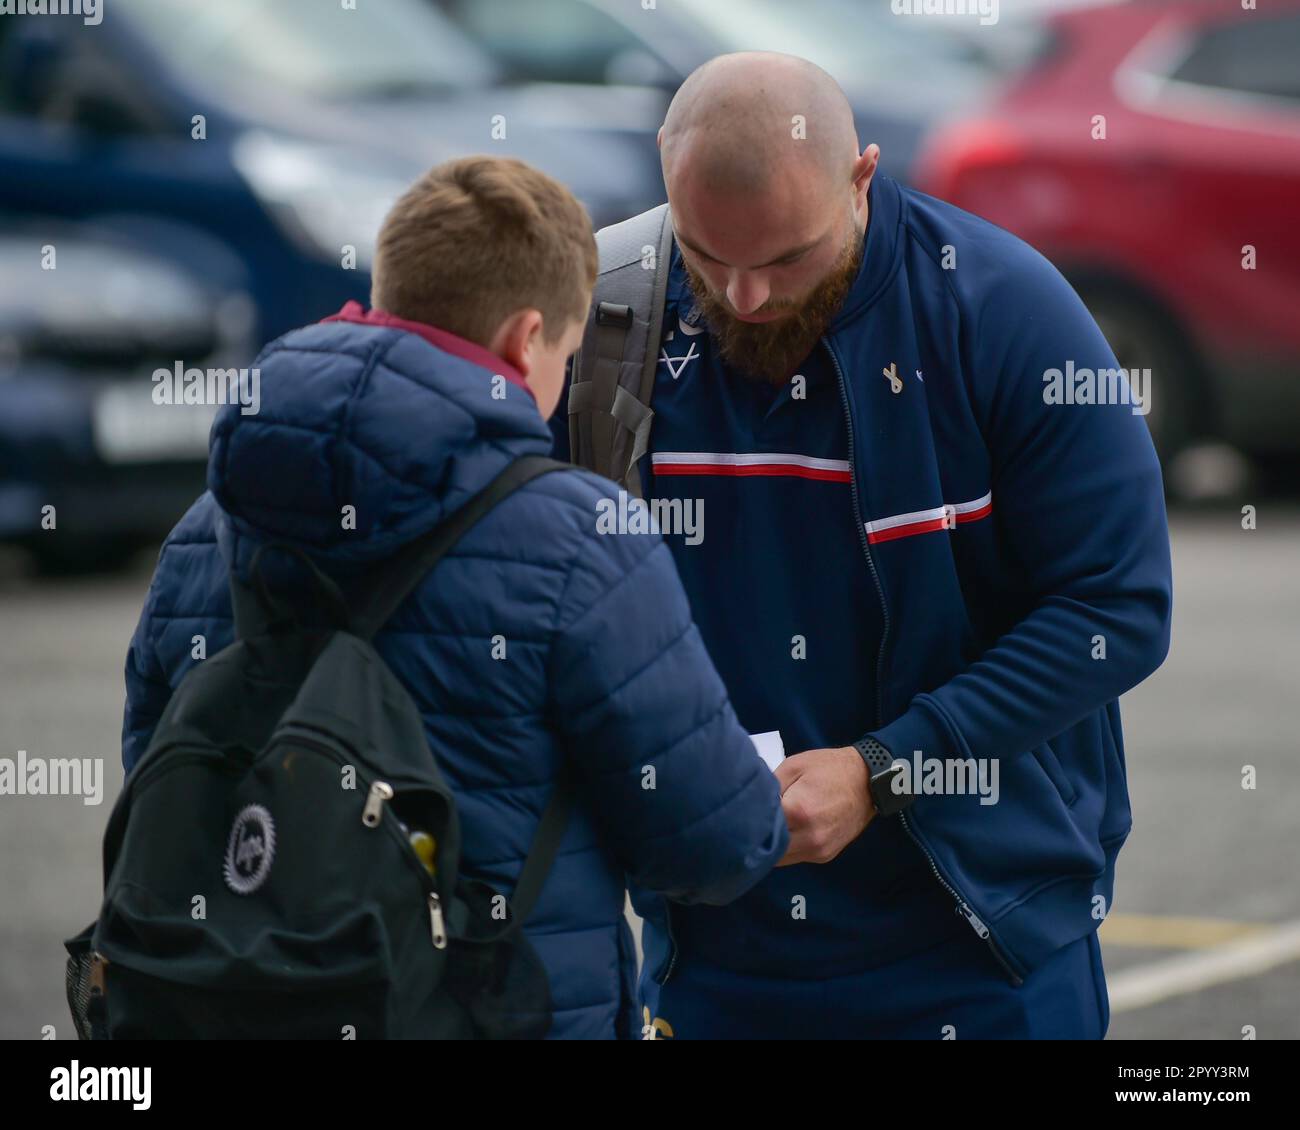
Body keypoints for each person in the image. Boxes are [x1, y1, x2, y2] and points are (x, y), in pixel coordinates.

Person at [556, 52, 1173, 1038]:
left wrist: (885, 769)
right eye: (712, 257)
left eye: (786, 259)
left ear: (861, 178)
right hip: (715, 958)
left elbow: (1116, 608)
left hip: (981, 955)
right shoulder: (610, 319)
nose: (748, 298)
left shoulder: (1007, 313)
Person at [121, 155, 788, 1039]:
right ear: (523, 340)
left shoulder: (208, 524)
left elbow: (159, 769)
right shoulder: (576, 536)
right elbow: (714, 841)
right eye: (568, 346)